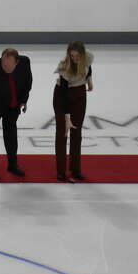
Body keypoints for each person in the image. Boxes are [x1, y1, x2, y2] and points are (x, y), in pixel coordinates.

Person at [0, 48, 32, 182]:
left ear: (16, 62)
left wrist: (23, 100)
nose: (5, 67)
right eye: (3, 64)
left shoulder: (24, 63)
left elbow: (27, 83)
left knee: (11, 134)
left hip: (13, 105)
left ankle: (12, 165)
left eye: (9, 65)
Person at [53, 41, 93, 182]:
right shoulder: (64, 67)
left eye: (77, 56)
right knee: (62, 133)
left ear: (83, 54)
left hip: (80, 95)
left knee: (77, 133)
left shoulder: (88, 57)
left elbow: (89, 68)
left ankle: (76, 170)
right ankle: (61, 171)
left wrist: (89, 80)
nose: (75, 58)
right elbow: (64, 95)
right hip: (62, 97)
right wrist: (67, 117)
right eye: (72, 55)